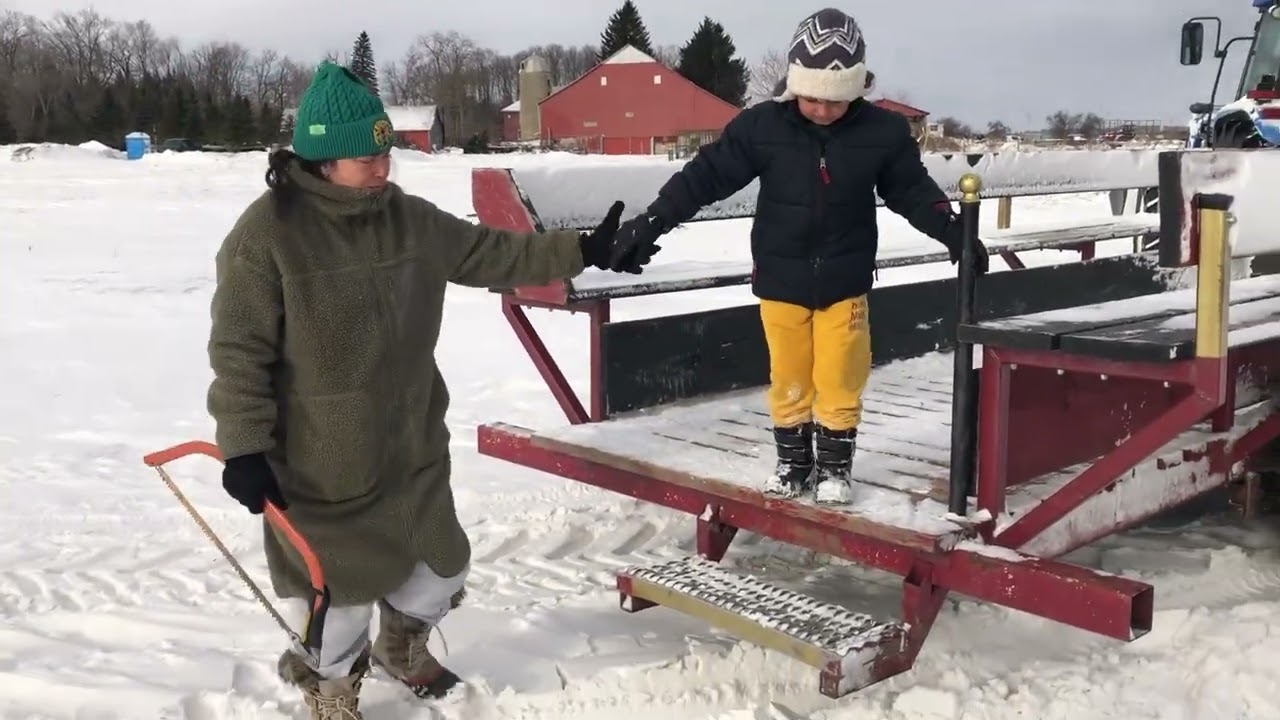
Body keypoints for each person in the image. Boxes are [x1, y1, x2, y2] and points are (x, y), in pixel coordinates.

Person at [205, 61, 647, 719]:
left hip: (411, 445)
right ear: (323, 160)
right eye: (365, 156)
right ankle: (331, 689)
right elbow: (239, 352)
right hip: (321, 463)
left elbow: (494, 254)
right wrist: (243, 447)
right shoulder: (266, 237)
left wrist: (583, 249)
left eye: (385, 152)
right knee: (337, 604)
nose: (382, 166)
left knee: (442, 566)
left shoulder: (408, 219)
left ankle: (401, 647)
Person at [606, 8, 989, 505]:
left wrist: (951, 230)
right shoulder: (762, 128)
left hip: (845, 277)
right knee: (788, 373)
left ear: (857, 89)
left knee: (840, 373)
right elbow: (705, 177)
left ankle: (834, 466)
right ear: (793, 85)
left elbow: (913, 190)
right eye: (811, 98)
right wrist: (653, 220)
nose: (823, 110)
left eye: (836, 100)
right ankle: (792, 464)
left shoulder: (881, 134)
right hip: (781, 276)